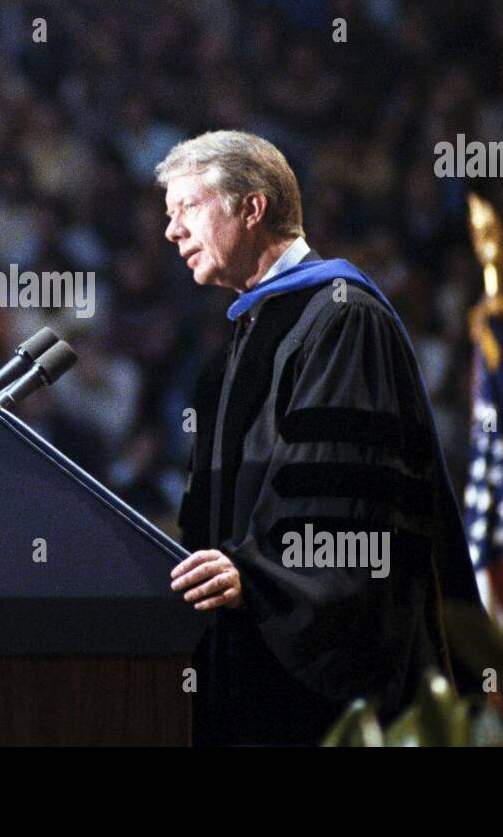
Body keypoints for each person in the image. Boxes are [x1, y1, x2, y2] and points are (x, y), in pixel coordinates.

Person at [159, 130, 482, 745]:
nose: (172, 231)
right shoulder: (237, 346)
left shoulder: (342, 316)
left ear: (252, 208)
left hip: (329, 686)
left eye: (187, 209)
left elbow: (344, 497)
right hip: (247, 662)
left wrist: (258, 574)